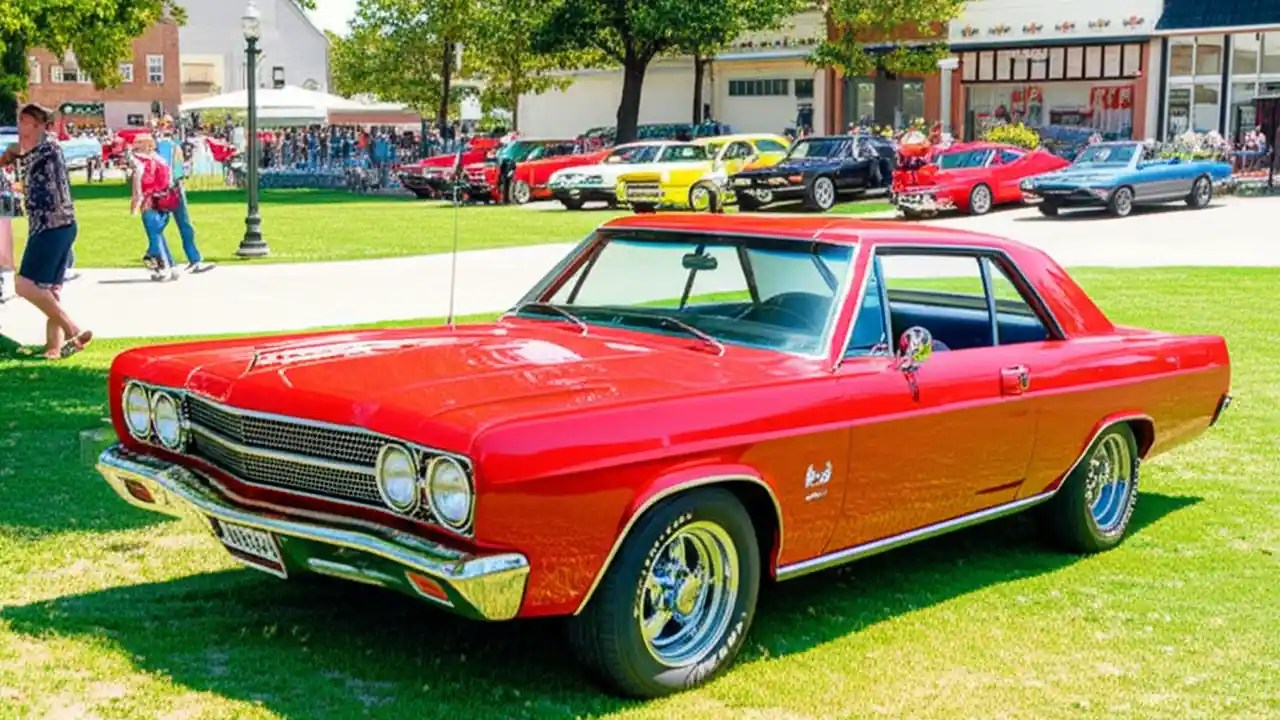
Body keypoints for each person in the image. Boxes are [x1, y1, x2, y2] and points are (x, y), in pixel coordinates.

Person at [1, 103, 91, 359]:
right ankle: (54, 348)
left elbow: (24, 153)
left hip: (51, 225)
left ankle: (73, 329)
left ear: (39, 125)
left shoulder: (48, 147)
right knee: (49, 289)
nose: (20, 126)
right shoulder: (33, 149)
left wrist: (12, 153)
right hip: (58, 225)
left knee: (23, 285)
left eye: (25, 122)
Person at [155, 121, 213, 273]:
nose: (167, 128)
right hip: (168, 188)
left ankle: (192, 259)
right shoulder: (162, 145)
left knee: (183, 225)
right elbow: (166, 167)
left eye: (169, 125)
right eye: (164, 125)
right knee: (161, 225)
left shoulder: (174, 144)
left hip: (174, 186)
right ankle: (165, 261)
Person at [131, 134, 180, 282]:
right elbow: (170, 180)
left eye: (139, 142)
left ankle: (161, 266)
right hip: (165, 202)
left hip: (150, 202)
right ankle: (171, 266)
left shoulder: (143, 163)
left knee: (154, 237)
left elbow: (140, 184)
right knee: (158, 235)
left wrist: (135, 204)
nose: (135, 145)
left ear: (147, 144)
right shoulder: (162, 161)